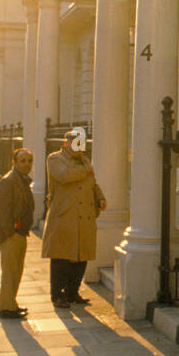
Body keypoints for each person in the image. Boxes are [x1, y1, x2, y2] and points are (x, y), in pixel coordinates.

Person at [41, 130, 107, 308]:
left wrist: (100, 197)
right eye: (73, 142)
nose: (77, 146)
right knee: (61, 258)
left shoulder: (84, 161)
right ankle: (57, 295)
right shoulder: (55, 159)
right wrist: (86, 169)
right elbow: (65, 176)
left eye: (80, 143)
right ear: (66, 143)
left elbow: (93, 183)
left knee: (80, 257)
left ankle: (72, 292)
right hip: (65, 216)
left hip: (84, 216)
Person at [0, 148, 35, 320]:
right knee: (10, 272)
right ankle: (6, 308)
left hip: (20, 232)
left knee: (16, 271)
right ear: (14, 163)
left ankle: (11, 304)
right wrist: (11, 232)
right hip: (11, 234)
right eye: (22, 161)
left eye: (29, 161)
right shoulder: (9, 181)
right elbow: (3, 211)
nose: (27, 164)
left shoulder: (22, 180)